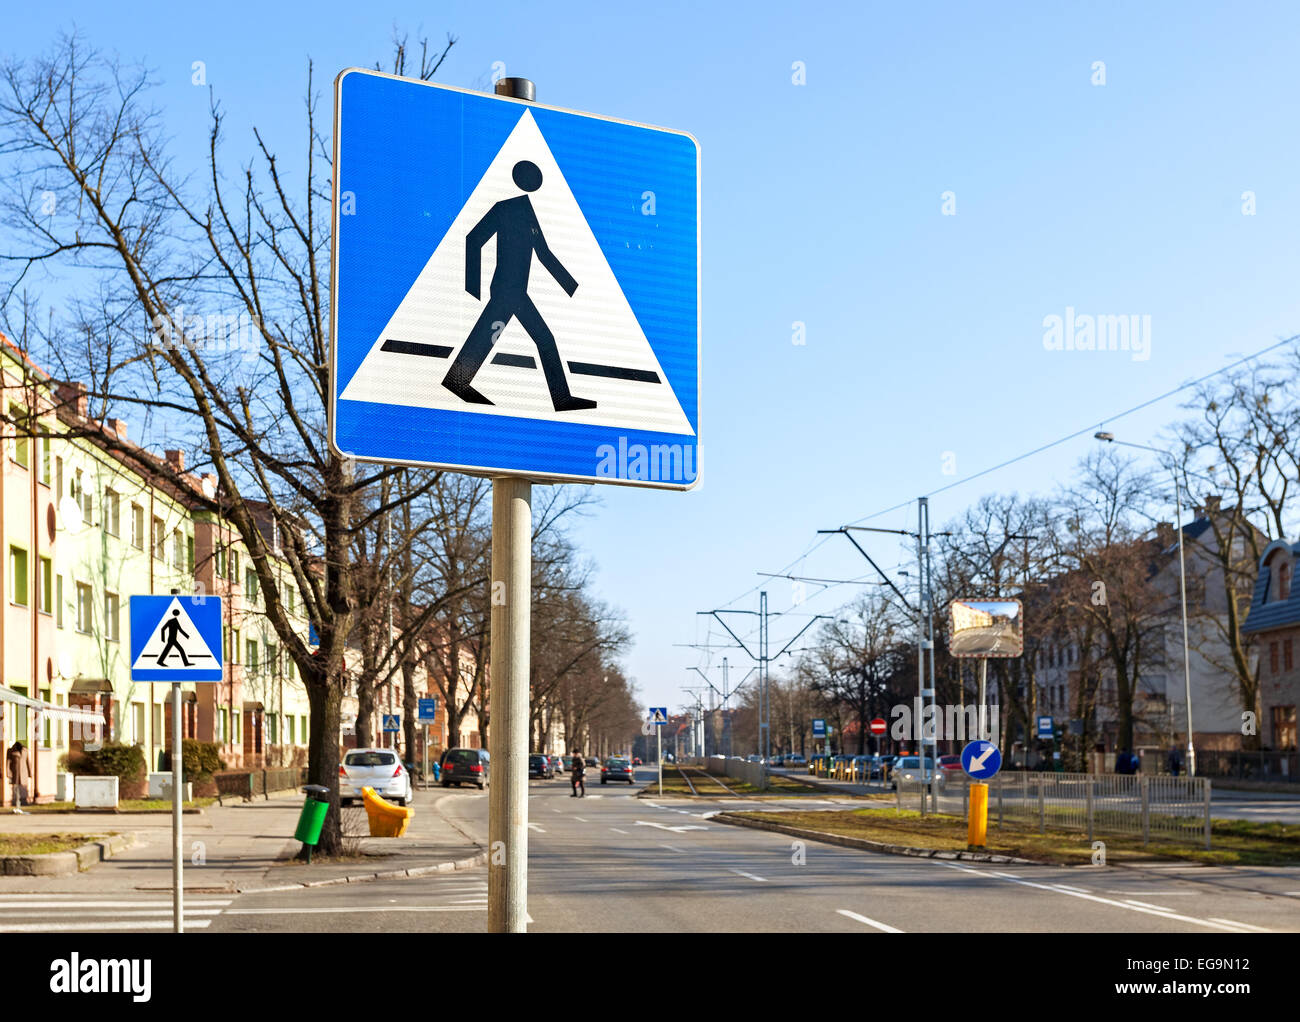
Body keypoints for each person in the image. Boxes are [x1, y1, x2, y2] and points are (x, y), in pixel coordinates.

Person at [442, 160, 596, 412]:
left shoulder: (528, 212)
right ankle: (458, 380)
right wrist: (472, 287)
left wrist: (573, 287)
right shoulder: (506, 208)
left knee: (500, 335)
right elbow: (474, 239)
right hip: (505, 289)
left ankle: (458, 379)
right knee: (530, 337)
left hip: (516, 291)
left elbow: (543, 253)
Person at [7, 741, 30, 812]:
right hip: (15, 773)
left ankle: (21, 803)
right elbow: (8, 762)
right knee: (15, 789)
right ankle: (17, 804)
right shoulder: (11, 751)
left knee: (22, 788)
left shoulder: (25, 750)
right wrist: (8, 773)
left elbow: (28, 762)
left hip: (23, 773)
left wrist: (30, 773)